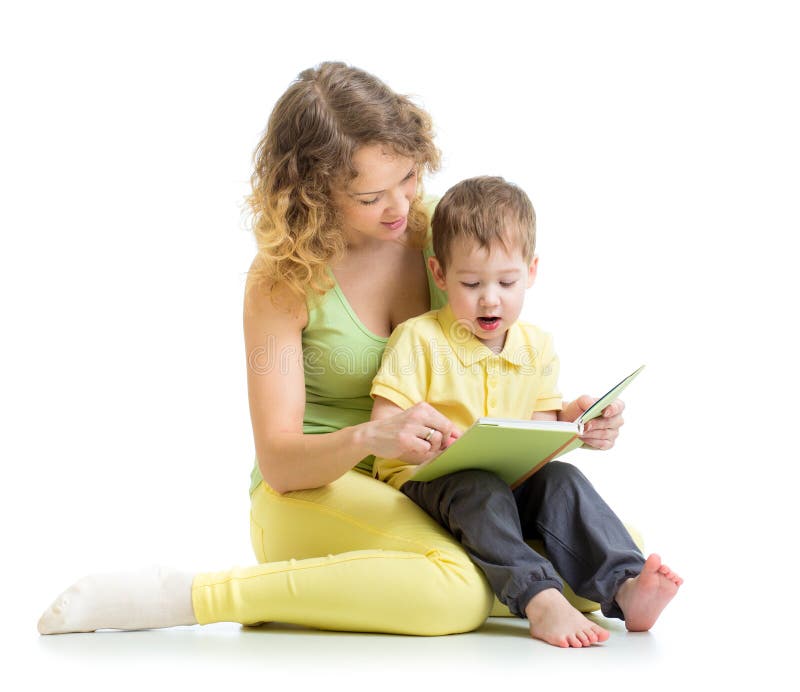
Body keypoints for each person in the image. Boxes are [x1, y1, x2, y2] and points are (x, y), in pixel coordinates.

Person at [37, 62, 628, 639]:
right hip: (312, 490)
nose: (401, 207)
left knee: (601, 568)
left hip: (433, 487)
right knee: (455, 594)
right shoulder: (282, 281)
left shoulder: (434, 235)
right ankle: (192, 597)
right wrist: (370, 437)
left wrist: (560, 421)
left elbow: (498, 354)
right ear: (313, 195)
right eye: (371, 197)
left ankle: (475, 584)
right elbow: (280, 461)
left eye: (408, 179)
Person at [369, 176, 682, 648]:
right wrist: (425, 439)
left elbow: (535, 435)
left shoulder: (537, 346)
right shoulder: (418, 339)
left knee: (563, 481)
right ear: (439, 275)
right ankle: (539, 597)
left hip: (508, 481)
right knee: (479, 487)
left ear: (531, 272)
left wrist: (575, 425)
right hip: (429, 479)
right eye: (471, 283)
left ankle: (627, 587)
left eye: (506, 282)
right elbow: (382, 428)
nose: (489, 298)